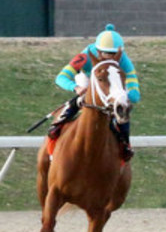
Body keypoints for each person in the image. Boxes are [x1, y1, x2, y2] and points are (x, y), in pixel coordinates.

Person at [50, 24, 141, 160]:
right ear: (98, 52)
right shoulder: (85, 56)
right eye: (106, 54)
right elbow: (61, 77)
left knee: (124, 108)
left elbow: (135, 96)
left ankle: (125, 143)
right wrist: (76, 88)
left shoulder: (124, 61)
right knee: (82, 99)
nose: (110, 58)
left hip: (112, 81)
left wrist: (120, 97)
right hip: (88, 78)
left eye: (114, 54)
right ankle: (58, 125)